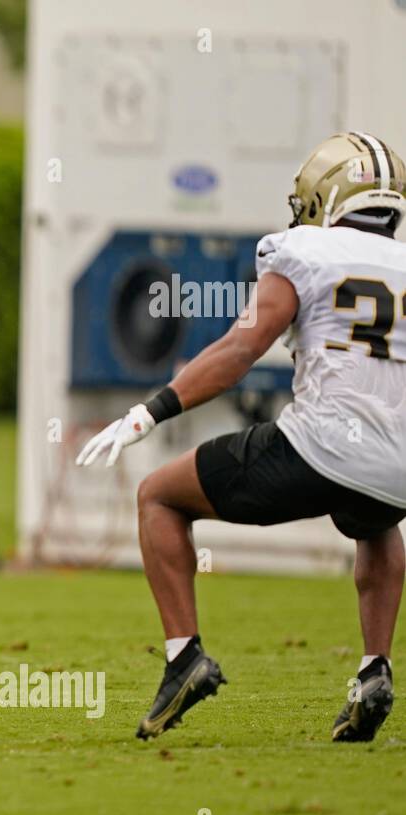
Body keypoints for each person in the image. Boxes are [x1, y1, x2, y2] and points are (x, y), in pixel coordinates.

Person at [78, 132, 406, 742]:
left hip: (319, 449)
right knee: (375, 519)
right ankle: (374, 669)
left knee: (158, 495)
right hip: (399, 467)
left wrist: (148, 412)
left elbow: (240, 350)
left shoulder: (304, 250)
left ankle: (183, 659)